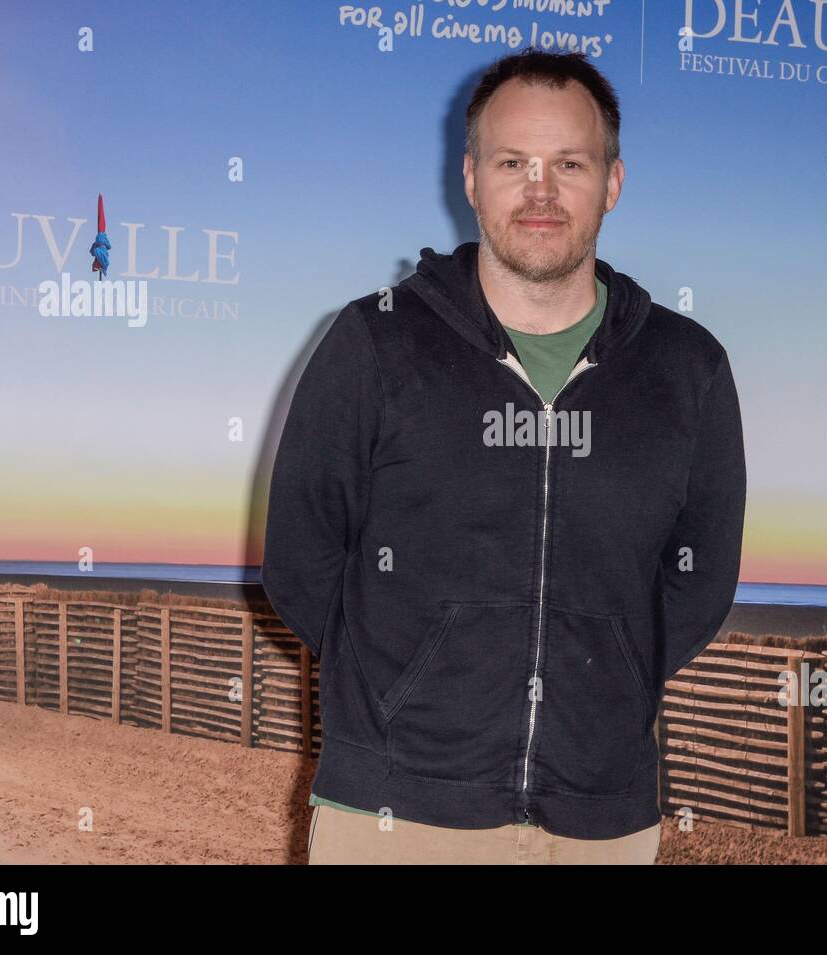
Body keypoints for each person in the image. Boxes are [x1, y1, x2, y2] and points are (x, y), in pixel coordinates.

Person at [262, 48, 746, 864]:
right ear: (471, 178)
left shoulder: (687, 368)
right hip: (394, 813)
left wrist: (608, 677)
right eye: (514, 162)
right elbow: (301, 560)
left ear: (613, 183)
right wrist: (407, 689)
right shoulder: (375, 341)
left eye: (570, 163)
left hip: (604, 822)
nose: (541, 190)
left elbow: (697, 586)